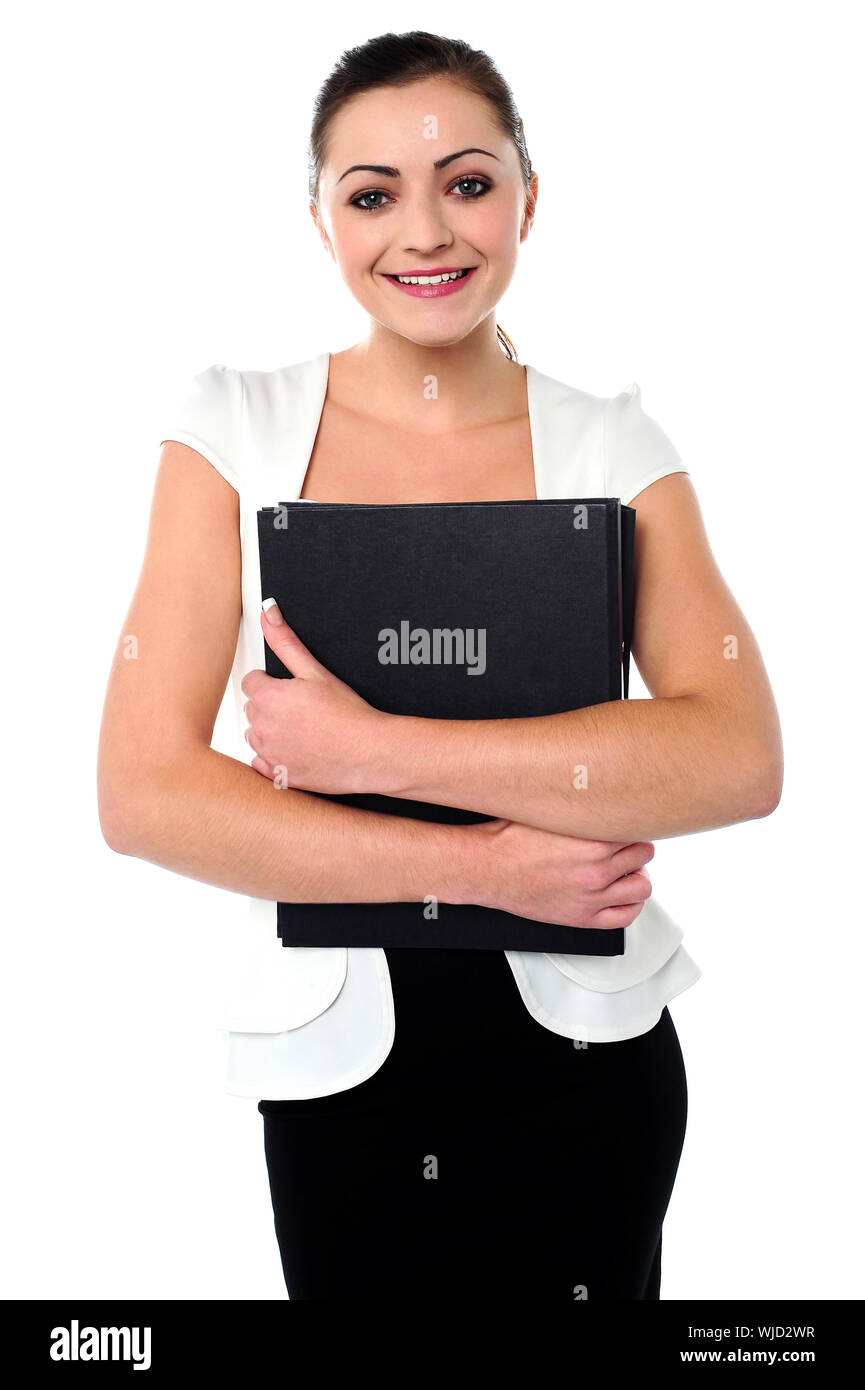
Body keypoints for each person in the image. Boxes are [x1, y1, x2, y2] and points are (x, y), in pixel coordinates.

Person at [97, 30, 783, 1301]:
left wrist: (371, 751)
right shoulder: (230, 433)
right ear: (321, 220)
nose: (425, 231)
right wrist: (481, 866)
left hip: (590, 1072)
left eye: (467, 183)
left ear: (530, 197)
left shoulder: (611, 446)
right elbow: (142, 793)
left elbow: (735, 757)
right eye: (372, 195)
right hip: (340, 1087)